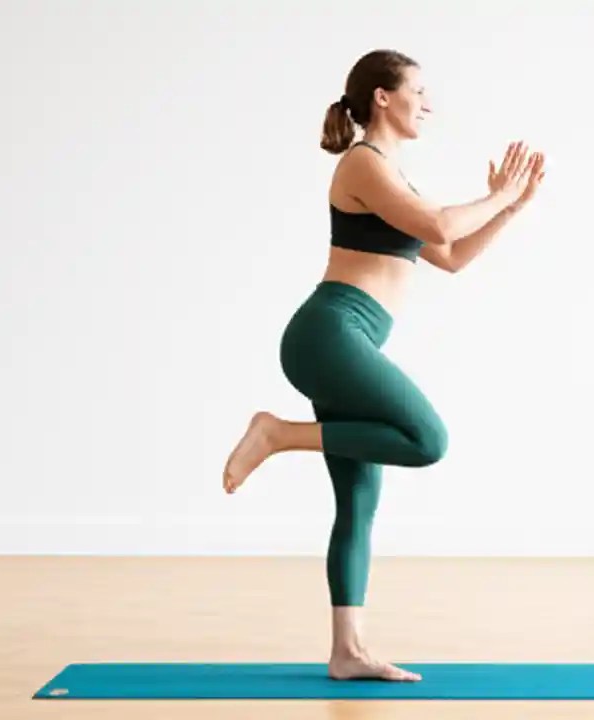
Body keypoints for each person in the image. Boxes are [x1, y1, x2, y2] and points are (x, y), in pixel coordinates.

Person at [221, 48, 546, 682]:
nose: (428, 104)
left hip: (348, 342)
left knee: (358, 503)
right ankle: (277, 434)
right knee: (428, 440)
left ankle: (348, 651)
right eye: (418, 91)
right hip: (330, 334)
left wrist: (510, 207)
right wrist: (496, 193)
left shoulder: (393, 179)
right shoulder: (363, 163)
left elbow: (450, 255)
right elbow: (438, 224)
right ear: (382, 97)